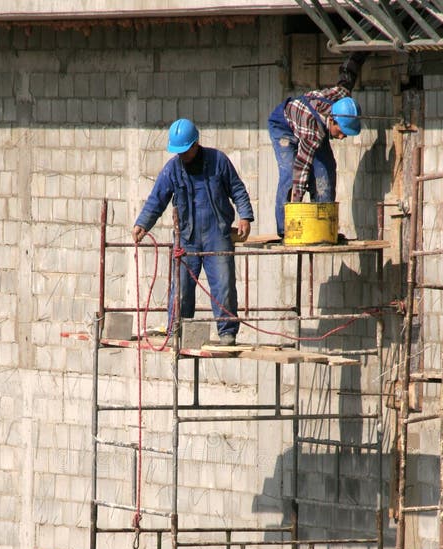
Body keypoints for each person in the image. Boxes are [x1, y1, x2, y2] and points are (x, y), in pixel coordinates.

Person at [132, 118, 254, 346]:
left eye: (185, 151)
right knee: (181, 289)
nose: (182, 156)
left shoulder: (218, 161)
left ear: (196, 144)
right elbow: (156, 200)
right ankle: (176, 331)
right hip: (186, 238)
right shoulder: (172, 169)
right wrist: (142, 224)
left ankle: (227, 332)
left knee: (224, 284)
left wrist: (245, 216)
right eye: (178, 152)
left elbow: (237, 189)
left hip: (217, 235)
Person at [267, 53, 368, 238]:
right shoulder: (313, 134)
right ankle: (285, 228)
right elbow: (301, 170)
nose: (343, 136)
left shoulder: (342, 98)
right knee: (290, 173)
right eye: (342, 131)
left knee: (326, 171)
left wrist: (359, 52)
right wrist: (296, 209)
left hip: (312, 124)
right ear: (333, 121)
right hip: (284, 126)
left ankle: (324, 227)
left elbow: (347, 74)